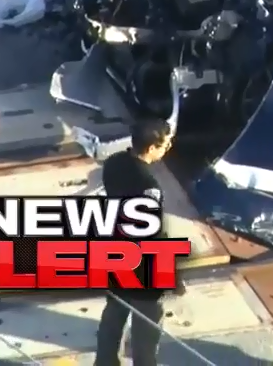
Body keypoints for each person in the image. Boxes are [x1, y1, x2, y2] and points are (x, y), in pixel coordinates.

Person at [94, 120, 179, 366]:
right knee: (147, 328)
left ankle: (105, 362)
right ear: (152, 148)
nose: (168, 147)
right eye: (165, 144)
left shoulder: (114, 163)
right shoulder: (149, 187)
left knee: (114, 314)